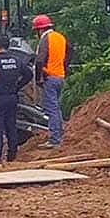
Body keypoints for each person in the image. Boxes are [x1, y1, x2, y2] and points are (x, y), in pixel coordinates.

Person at [0, 35, 34, 162]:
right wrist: (18, 86)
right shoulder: (17, 60)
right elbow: (29, 74)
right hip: (12, 96)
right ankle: (12, 153)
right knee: (11, 125)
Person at [32, 14, 73, 149]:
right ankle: (59, 134)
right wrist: (64, 67)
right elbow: (70, 51)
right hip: (59, 76)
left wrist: (38, 78)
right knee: (56, 107)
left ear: (40, 30)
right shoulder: (60, 37)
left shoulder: (45, 39)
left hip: (49, 77)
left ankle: (54, 139)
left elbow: (39, 60)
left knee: (51, 108)